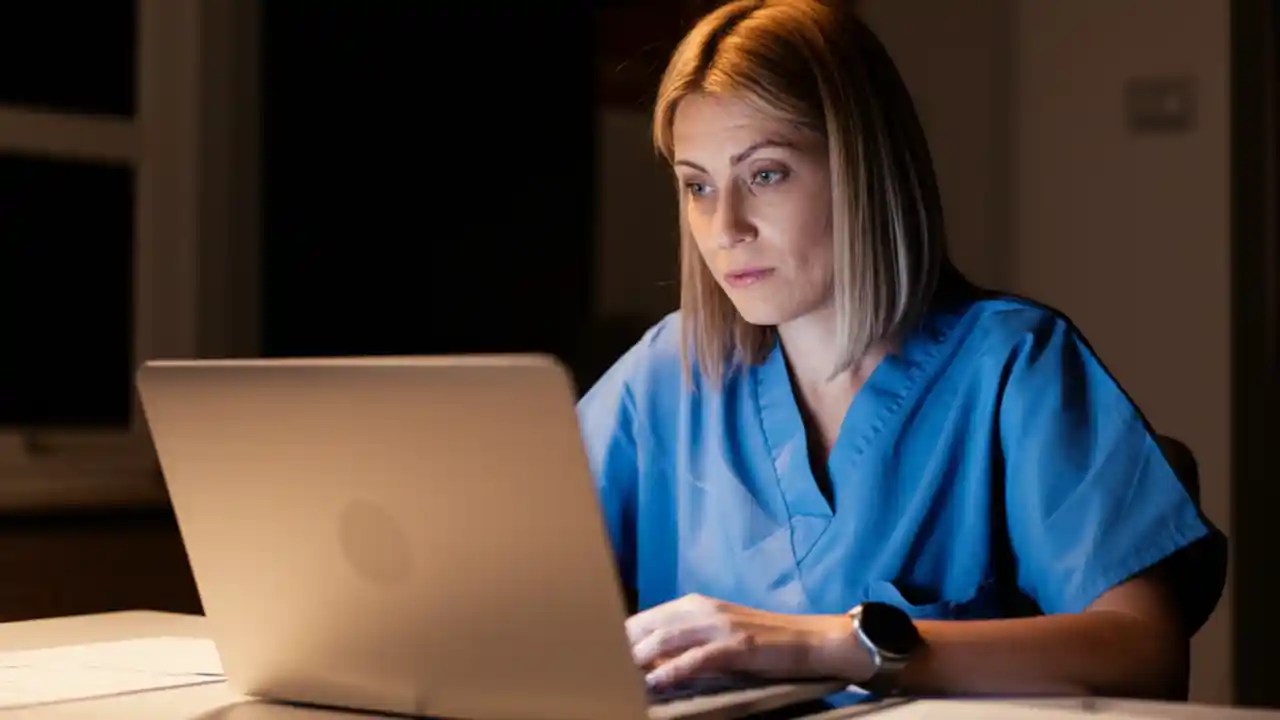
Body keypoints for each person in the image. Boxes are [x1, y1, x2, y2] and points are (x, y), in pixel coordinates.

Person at [576, 0, 1227, 703]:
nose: (725, 226)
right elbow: (502, 586)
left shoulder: (1010, 365)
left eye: (765, 175)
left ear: (861, 167)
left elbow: (1142, 651)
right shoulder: (666, 377)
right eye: (698, 186)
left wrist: (828, 644)